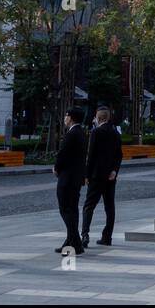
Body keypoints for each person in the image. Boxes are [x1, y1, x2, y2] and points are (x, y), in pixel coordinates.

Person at [81, 105, 123, 248]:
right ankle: (107, 237)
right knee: (109, 207)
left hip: (96, 176)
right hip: (110, 177)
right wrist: (114, 171)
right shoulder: (115, 133)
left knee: (88, 206)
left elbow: (90, 155)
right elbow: (119, 155)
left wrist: (86, 175)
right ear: (108, 117)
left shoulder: (96, 132)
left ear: (99, 118)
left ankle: (85, 235)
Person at [54, 107, 88, 255]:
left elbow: (63, 154)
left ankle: (76, 244)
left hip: (67, 178)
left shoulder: (72, 134)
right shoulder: (81, 133)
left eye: (66, 115)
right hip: (76, 178)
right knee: (72, 210)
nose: (65, 118)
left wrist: (56, 167)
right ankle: (70, 242)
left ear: (71, 118)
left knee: (65, 210)